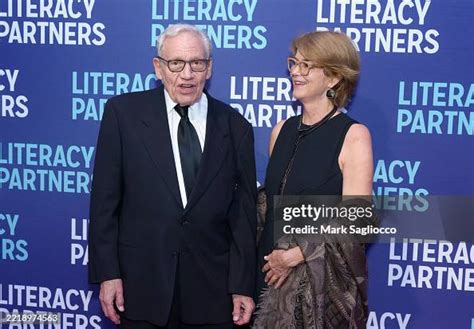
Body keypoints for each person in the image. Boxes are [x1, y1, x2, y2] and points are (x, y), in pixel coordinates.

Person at [88, 24, 257, 329]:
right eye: (176, 63)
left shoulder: (235, 127)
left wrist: (242, 284)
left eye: (197, 64)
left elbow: (243, 214)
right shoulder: (122, 114)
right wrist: (107, 273)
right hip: (141, 288)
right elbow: (104, 203)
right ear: (158, 67)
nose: (187, 74)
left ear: (209, 69)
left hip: (212, 294)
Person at [254, 31, 374, 328]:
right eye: (294, 62)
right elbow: (269, 207)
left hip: (318, 294)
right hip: (267, 277)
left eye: (307, 65)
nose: (295, 71)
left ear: (333, 78)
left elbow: (359, 221)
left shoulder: (353, 136)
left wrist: (297, 254)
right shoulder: (280, 131)